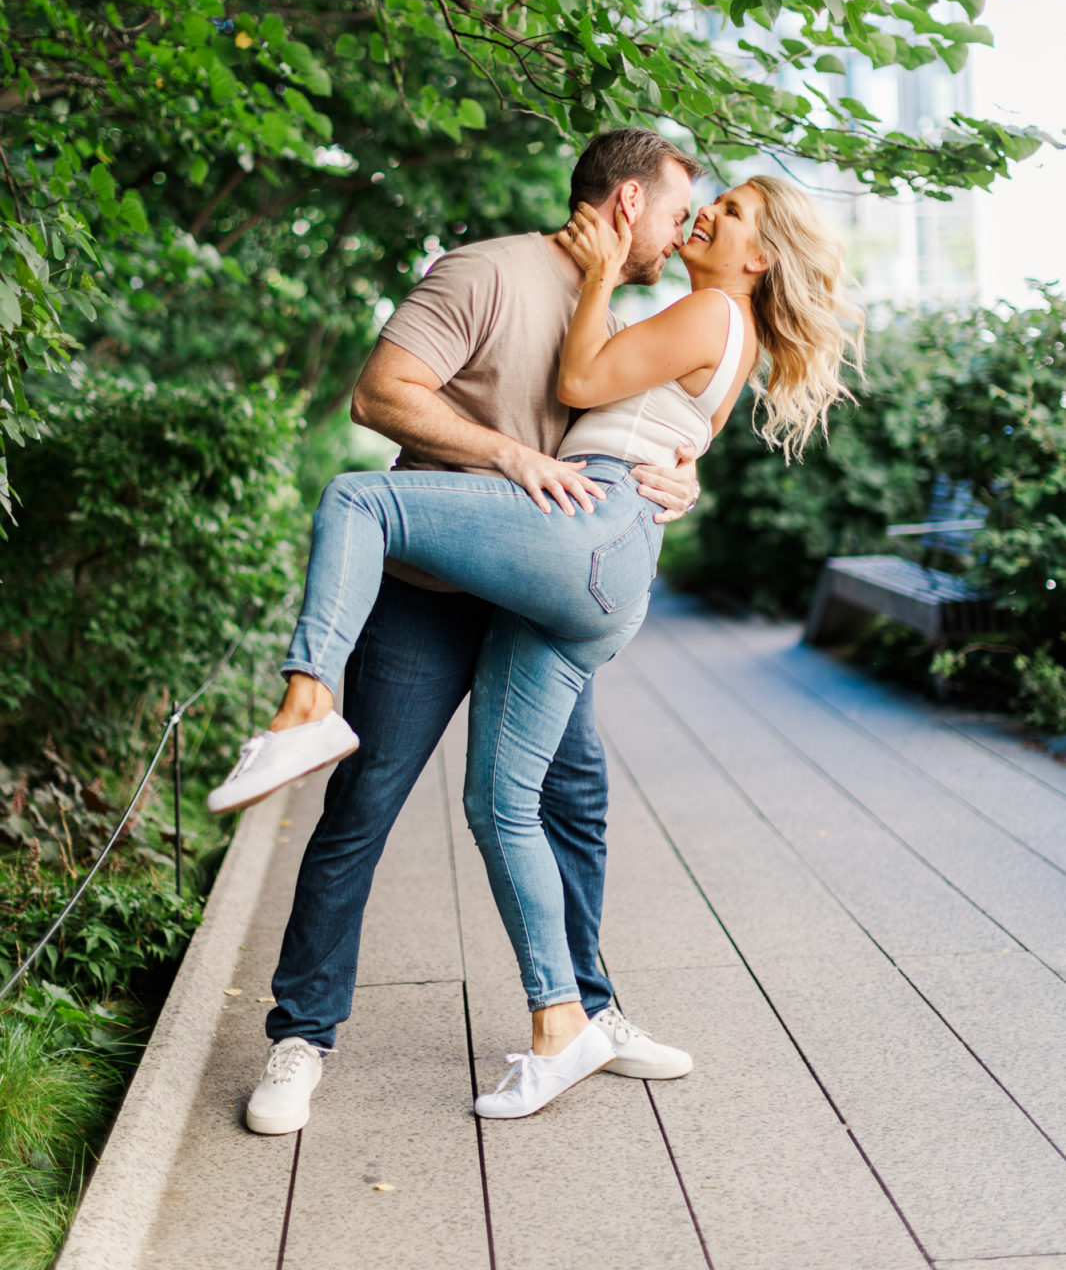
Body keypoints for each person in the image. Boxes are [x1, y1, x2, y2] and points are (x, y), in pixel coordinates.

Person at [210, 153, 863, 1122]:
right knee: (391, 800)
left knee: (570, 798)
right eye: (690, 206)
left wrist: (675, 486)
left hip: (556, 564)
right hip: (450, 578)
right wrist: (519, 455)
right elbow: (380, 394)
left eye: (716, 213)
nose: (695, 223)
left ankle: (583, 1009)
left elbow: (632, 411)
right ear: (628, 201)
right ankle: (313, 1036)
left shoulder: (663, 310)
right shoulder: (489, 273)